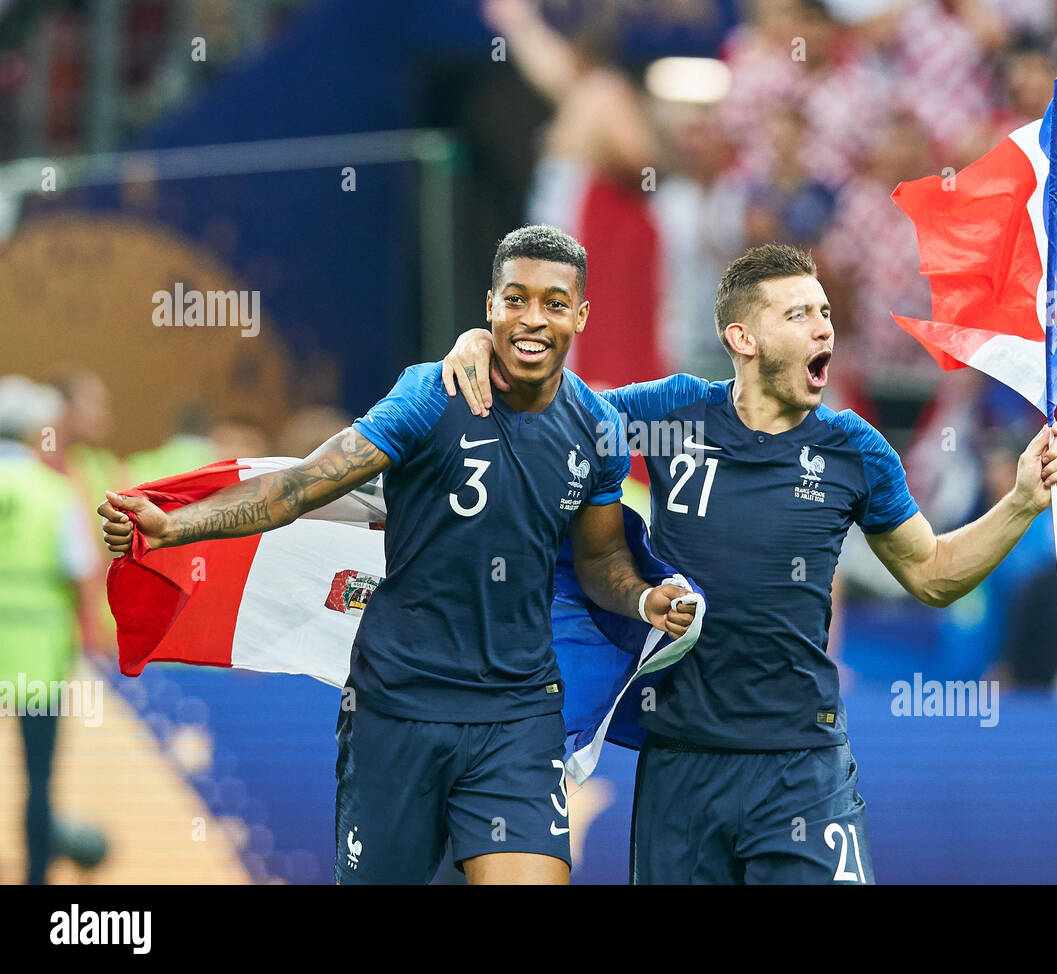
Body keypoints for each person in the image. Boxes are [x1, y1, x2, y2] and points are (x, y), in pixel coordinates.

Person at [440, 243, 1057, 884]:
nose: (824, 326)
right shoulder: (673, 412)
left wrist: (1021, 503)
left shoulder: (856, 451)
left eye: (824, 312)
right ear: (741, 337)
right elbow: (554, 408)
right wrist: (479, 345)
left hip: (803, 765)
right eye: (798, 314)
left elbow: (933, 574)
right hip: (682, 764)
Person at [97, 226, 697, 886]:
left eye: (554, 303)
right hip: (397, 712)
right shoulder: (429, 396)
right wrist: (173, 525)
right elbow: (300, 486)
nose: (533, 318)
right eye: (517, 298)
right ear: (491, 303)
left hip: (518, 718)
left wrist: (643, 597)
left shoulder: (598, 429)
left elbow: (599, 562)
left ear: (580, 314)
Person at [0, 376, 104, 884]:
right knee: (37, 780)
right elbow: (83, 569)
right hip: (35, 657)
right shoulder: (54, 491)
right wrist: (97, 637)